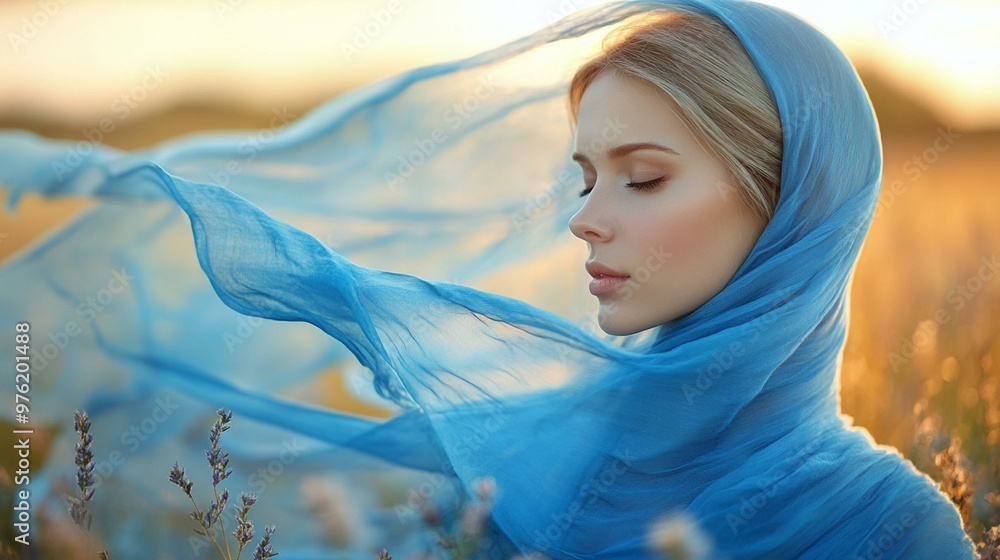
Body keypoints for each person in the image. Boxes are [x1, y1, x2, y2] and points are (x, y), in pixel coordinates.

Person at [0, 1, 978, 558]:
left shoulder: (897, 529)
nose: (584, 216)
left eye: (642, 176)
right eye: (584, 176)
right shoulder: (528, 468)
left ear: (792, 205)